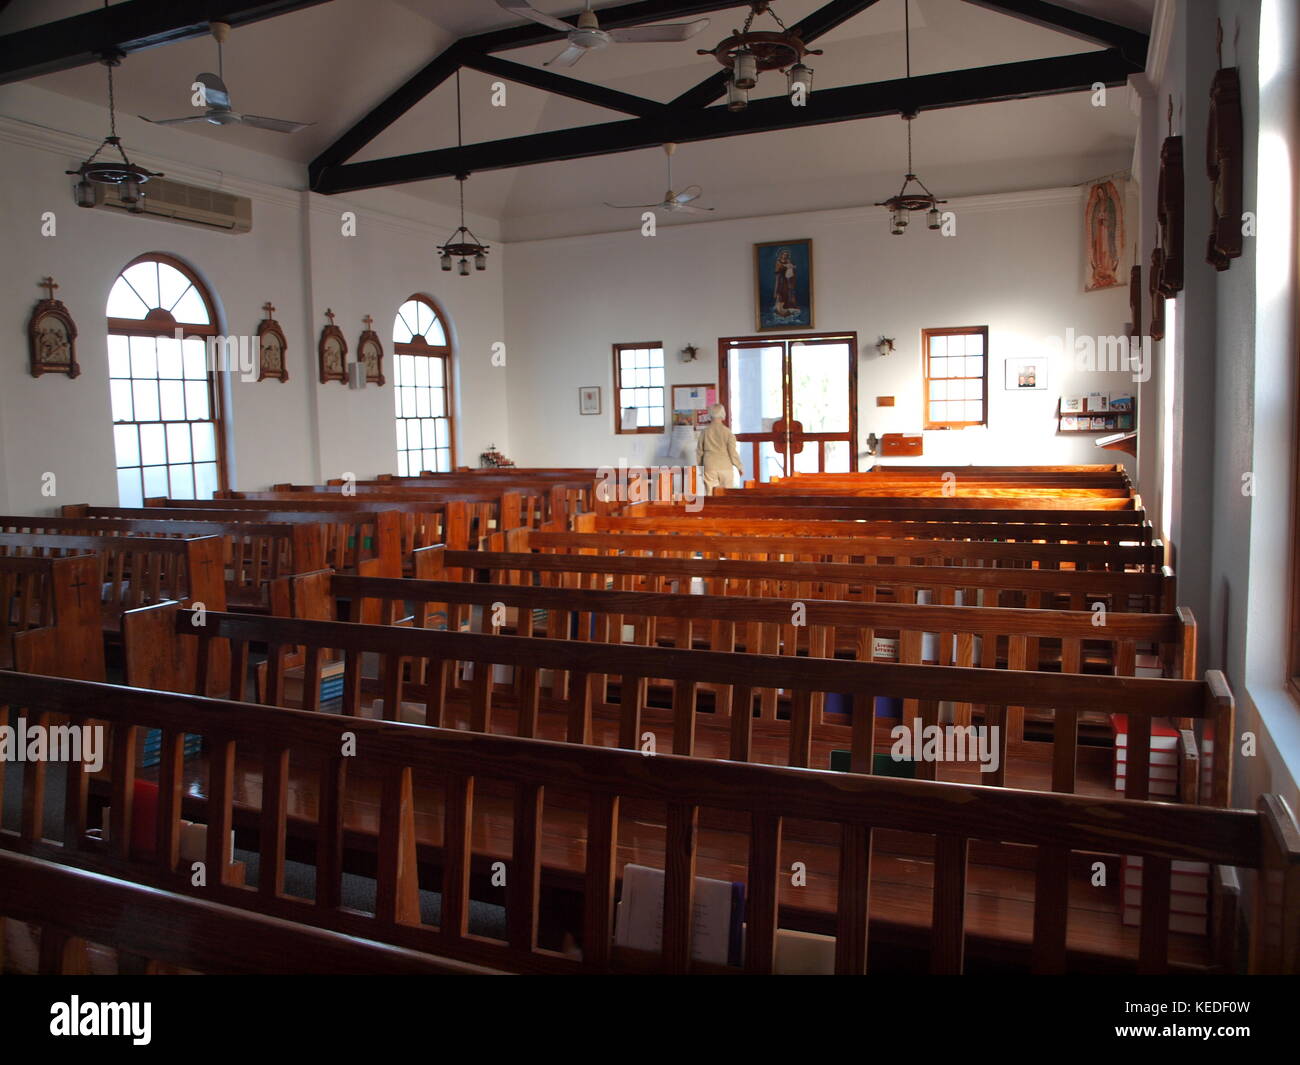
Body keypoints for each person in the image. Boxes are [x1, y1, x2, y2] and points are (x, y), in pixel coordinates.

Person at [695, 403, 744, 493]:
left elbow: (699, 452)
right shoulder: (728, 432)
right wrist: (739, 467)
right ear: (723, 414)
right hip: (725, 466)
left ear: (710, 415)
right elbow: (732, 452)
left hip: (710, 465)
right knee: (726, 495)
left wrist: (701, 467)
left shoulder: (704, 432)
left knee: (710, 495)